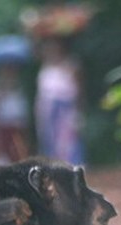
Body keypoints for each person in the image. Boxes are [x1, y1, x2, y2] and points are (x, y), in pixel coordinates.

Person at [34, 37, 85, 165]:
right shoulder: (45, 66)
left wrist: (78, 112)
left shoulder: (71, 65)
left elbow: (79, 91)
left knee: (68, 140)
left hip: (66, 108)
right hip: (48, 107)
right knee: (50, 140)